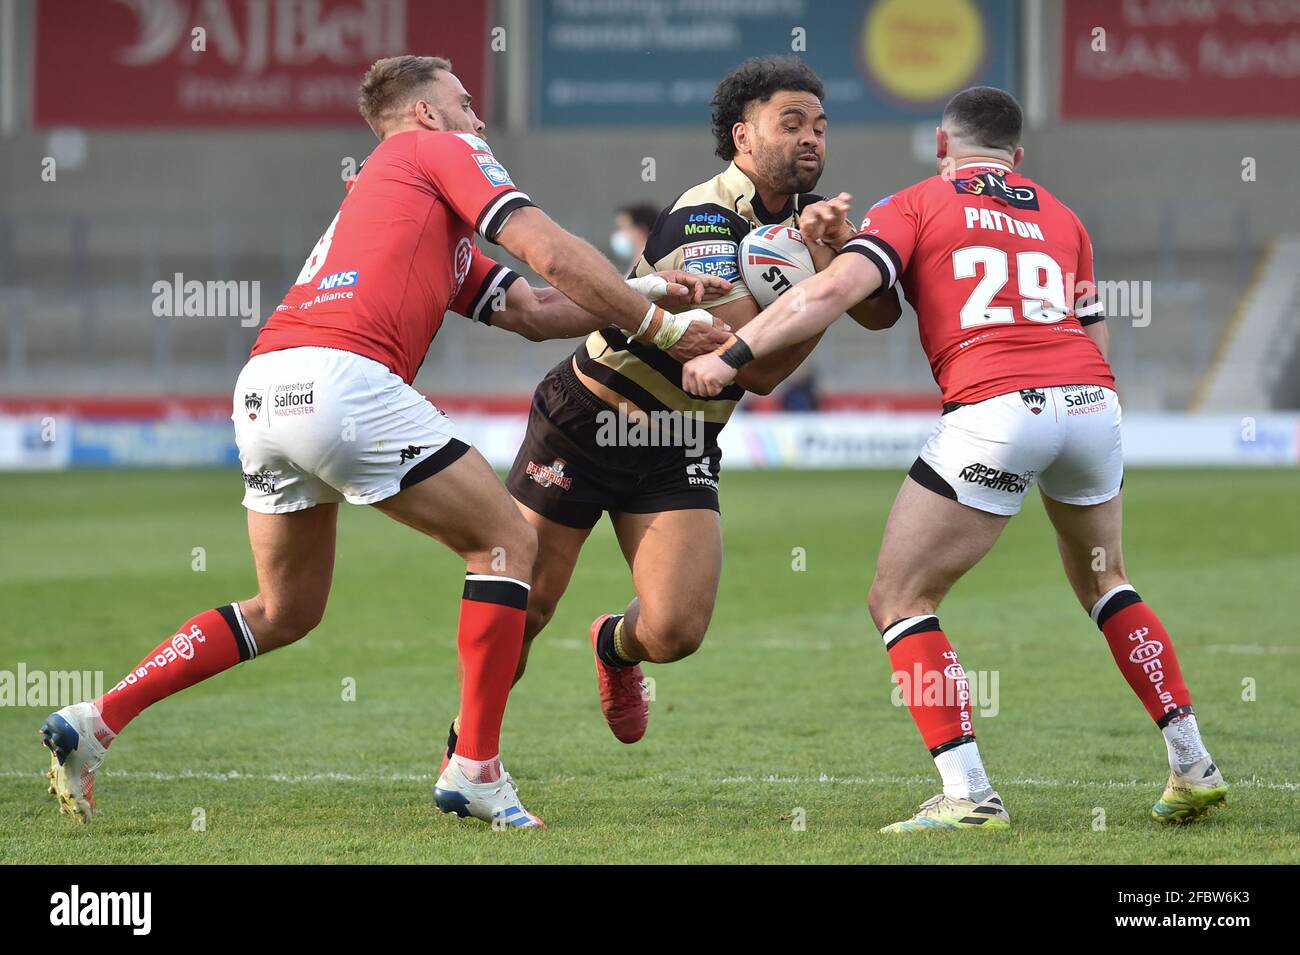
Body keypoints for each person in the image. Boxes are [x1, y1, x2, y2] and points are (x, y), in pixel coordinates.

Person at [40, 54, 729, 829]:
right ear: (427, 114)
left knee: (285, 608)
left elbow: (537, 308)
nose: (479, 120)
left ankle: (95, 721)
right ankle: (474, 768)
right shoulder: (439, 150)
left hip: (266, 389)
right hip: (344, 380)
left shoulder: (405, 202)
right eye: (465, 104)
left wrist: (651, 288)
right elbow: (548, 250)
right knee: (505, 540)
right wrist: (662, 328)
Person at [683, 86, 1226, 831]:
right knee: (1108, 582)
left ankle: (968, 794)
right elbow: (1094, 333)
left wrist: (733, 354)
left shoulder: (916, 203)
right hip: (1092, 405)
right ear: (1019, 156)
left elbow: (833, 295)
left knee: (900, 598)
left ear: (943, 147)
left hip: (998, 407)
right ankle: (1193, 762)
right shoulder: (1062, 216)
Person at [434, 56, 899, 769]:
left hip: (681, 440)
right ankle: (466, 758)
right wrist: (823, 283)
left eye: (821, 125)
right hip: (589, 418)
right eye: (793, 123)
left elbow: (884, 311)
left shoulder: (816, 225)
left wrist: (838, 267)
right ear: (744, 136)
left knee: (676, 629)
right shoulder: (703, 213)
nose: (813, 138)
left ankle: (610, 646)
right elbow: (750, 363)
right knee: (525, 607)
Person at [610, 203, 659, 268]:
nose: (619, 233)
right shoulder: (635, 268)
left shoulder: (654, 268)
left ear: (642, 230)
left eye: (623, 227)